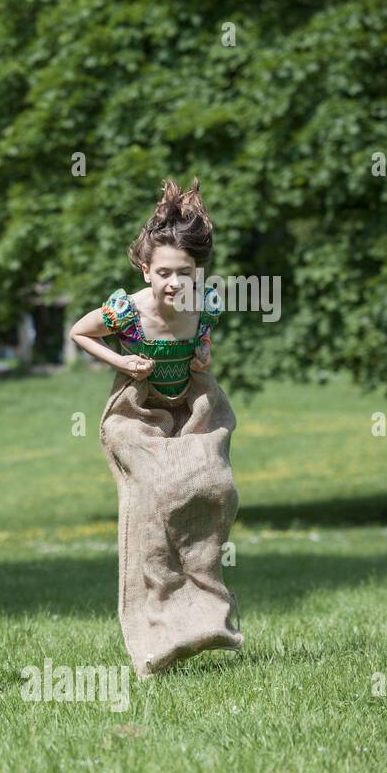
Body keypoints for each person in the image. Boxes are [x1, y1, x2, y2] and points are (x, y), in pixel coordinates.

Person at [68, 178, 243, 678]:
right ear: (145, 270)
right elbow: (79, 332)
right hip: (138, 411)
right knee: (155, 502)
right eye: (163, 272)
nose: (173, 284)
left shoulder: (204, 304)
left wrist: (203, 356)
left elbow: (203, 343)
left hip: (192, 404)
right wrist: (123, 362)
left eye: (184, 274)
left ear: (198, 272)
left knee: (215, 486)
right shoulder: (127, 309)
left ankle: (206, 614)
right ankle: (154, 634)